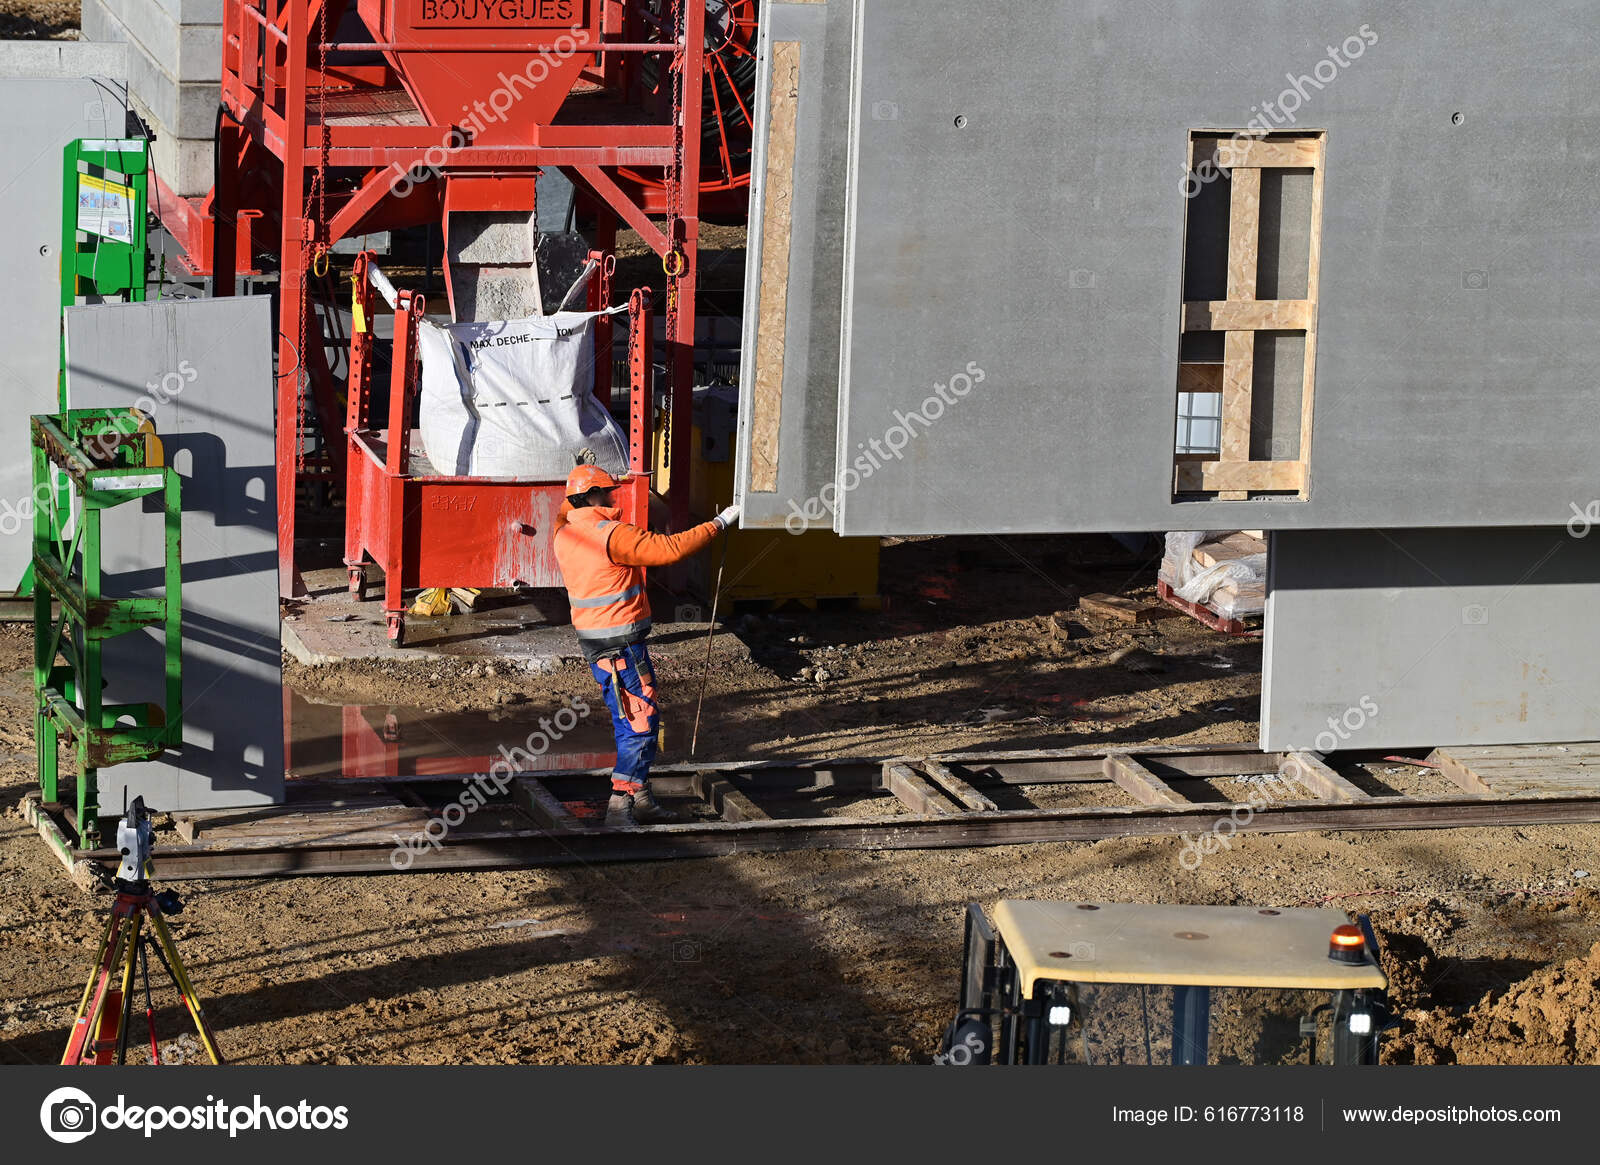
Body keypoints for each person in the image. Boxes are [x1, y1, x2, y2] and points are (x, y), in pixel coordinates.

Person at [550, 464, 739, 828]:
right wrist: (718, 524)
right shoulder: (611, 535)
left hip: (599, 643)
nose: (611, 497)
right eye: (606, 492)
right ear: (592, 497)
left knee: (630, 716)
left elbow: (564, 509)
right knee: (640, 720)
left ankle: (640, 796)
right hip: (620, 646)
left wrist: (576, 476)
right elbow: (671, 549)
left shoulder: (564, 530)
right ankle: (621, 803)